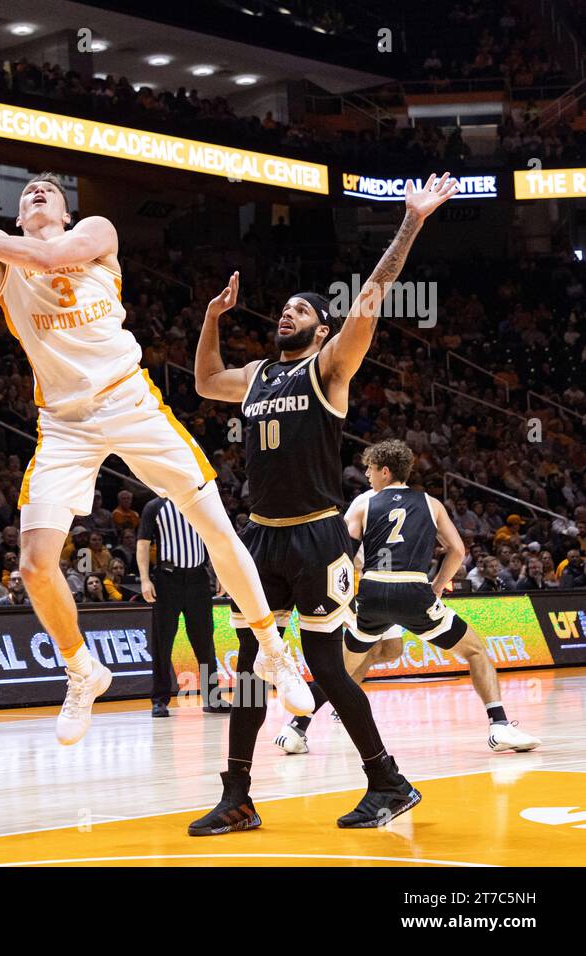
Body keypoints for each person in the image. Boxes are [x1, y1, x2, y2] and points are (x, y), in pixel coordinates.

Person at [0, 90, 309, 748]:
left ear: (65, 209)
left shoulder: (96, 235)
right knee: (33, 563)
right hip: (62, 423)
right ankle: (81, 670)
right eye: (27, 190)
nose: (37, 192)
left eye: (47, 190)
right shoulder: (2, 261)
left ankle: (270, 646)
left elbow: (51, 259)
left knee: (210, 523)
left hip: (129, 399)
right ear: (16, 212)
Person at [189, 171, 458, 835]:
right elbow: (203, 381)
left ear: (323, 327)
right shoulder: (256, 376)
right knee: (252, 665)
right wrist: (210, 320)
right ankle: (239, 796)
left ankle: (388, 781)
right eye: (281, 308)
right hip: (262, 538)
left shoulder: (329, 367)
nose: (286, 313)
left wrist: (412, 222)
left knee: (326, 664)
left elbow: (372, 295)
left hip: (316, 536)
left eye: (300, 310)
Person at [275, 440, 541, 756]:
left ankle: (296, 729)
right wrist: (439, 585)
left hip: (371, 593)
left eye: (370, 469)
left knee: (339, 670)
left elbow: (340, 557)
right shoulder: (431, 504)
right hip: (413, 591)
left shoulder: (363, 504)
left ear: (385, 471)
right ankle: (499, 725)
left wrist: (339, 599)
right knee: (476, 651)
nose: (367, 475)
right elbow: (458, 550)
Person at [136, 495, 223, 717]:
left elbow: (213, 539)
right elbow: (143, 544)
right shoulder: (154, 506)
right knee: (162, 643)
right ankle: (159, 700)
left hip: (198, 580)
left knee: (205, 642)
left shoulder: (200, 503)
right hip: (167, 580)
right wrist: (145, 579)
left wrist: (220, 573)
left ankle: (213, 699)